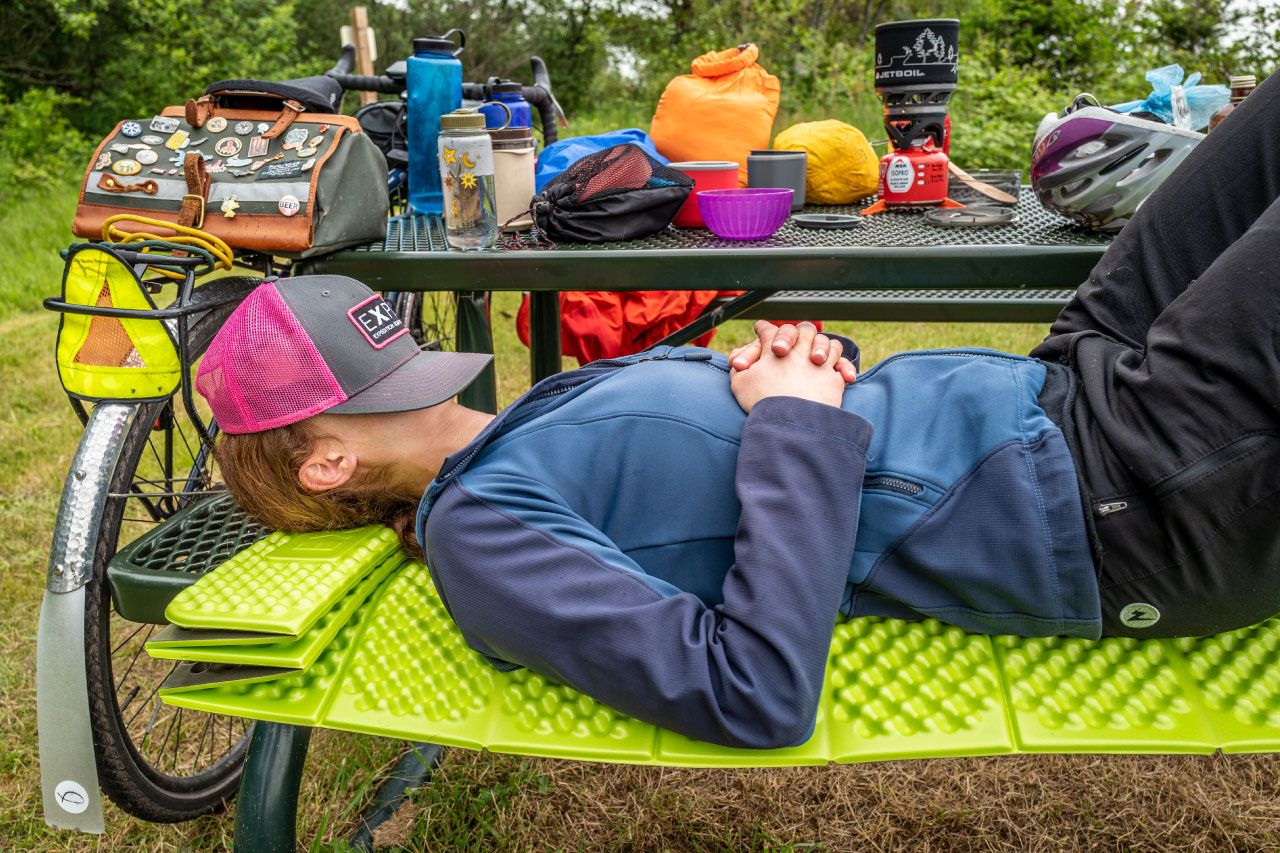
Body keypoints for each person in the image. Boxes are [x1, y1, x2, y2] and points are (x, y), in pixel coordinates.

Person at [197, 73, 1280, 750]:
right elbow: (748, 692)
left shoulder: (535, 415)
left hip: (1059, 382)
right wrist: (791, 422)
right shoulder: (482, 538)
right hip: (1114, 497)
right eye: (358, 362)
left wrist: (796, 359)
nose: (399, 341)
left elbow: (756, 424)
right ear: (326, 463)